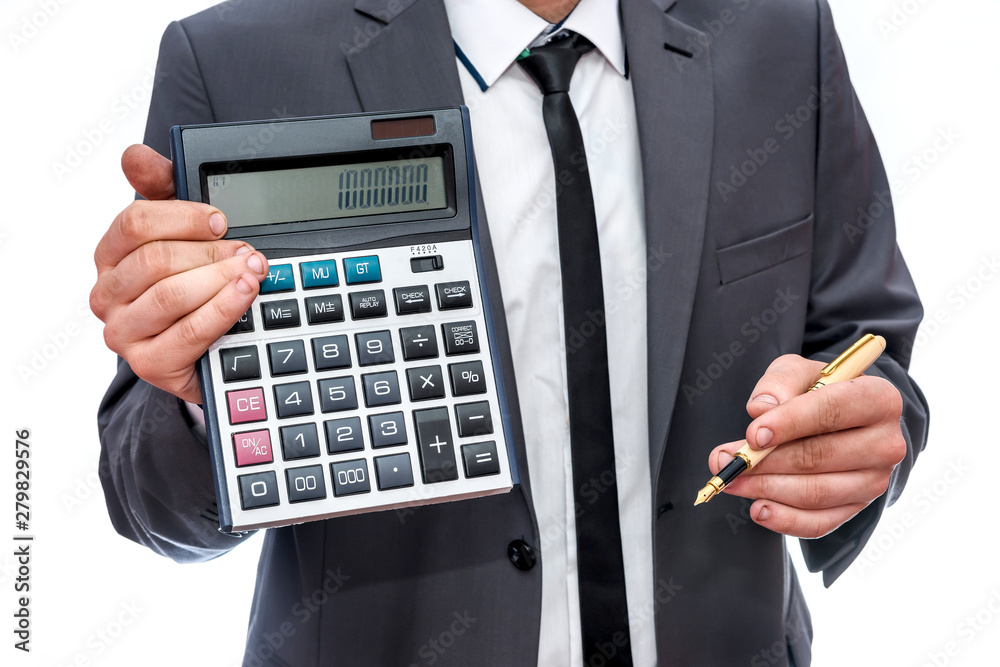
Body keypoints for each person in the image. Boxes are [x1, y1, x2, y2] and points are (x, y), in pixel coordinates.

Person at [90, 0, 929, 665]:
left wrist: (854, 436)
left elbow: (871, 349)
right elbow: (146, 493)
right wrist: (206, 399)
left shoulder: (780, 29)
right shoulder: (237, 62)